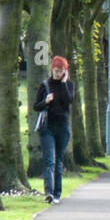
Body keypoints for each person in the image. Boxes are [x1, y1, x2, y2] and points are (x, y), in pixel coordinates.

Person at [33, 56, 74, 204]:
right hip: (47, 127)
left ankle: (57, 193)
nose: (58, 74)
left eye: (61, 71)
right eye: (56, 71)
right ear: (52, 69)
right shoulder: (45, 85)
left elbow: (68, 100)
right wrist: (46, 101)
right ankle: (49, 192)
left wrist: (63, 83)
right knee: (49, 160)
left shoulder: (68, 85)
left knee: (59, 160)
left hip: (62, 127)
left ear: (65, 71)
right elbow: (36, 106)